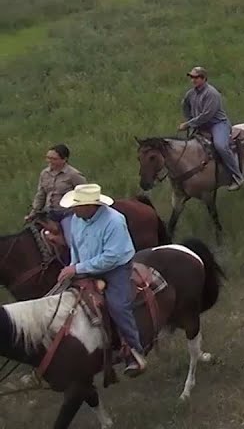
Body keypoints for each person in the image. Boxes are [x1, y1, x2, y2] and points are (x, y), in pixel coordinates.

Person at [55, 183, 146, 377]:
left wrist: (77, 268)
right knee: (62, 299)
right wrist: (73, 267)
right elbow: (76, 247)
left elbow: (111, 257)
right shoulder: (76, 220)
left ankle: (134, 351)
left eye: (77, 205)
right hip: (86, 267)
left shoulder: (114, 221)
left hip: (116, 269)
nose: (73, 209)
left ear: (91, 206)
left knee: (118, 306)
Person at [179, 66, 244, 190]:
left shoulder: (212, 93)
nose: (193, 80)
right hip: (202, 124)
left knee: (221, 146)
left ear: (204, 78)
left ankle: (237, 176)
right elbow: (185, 104)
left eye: (196, 77)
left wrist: (188, 124)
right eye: (191, 77)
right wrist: (189, 118)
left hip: (218, 124)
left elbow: (206, 115)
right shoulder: (191, 94)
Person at [27, 143, 87, 222]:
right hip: (49, 213)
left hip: (67, 214)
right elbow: (41, 194)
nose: (49, 161)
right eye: (48, 158)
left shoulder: (73, 174)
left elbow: (85, 194)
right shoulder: (45, 173)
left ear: (64, 159)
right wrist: (34, 212)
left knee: (68, 232)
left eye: (54, 159)